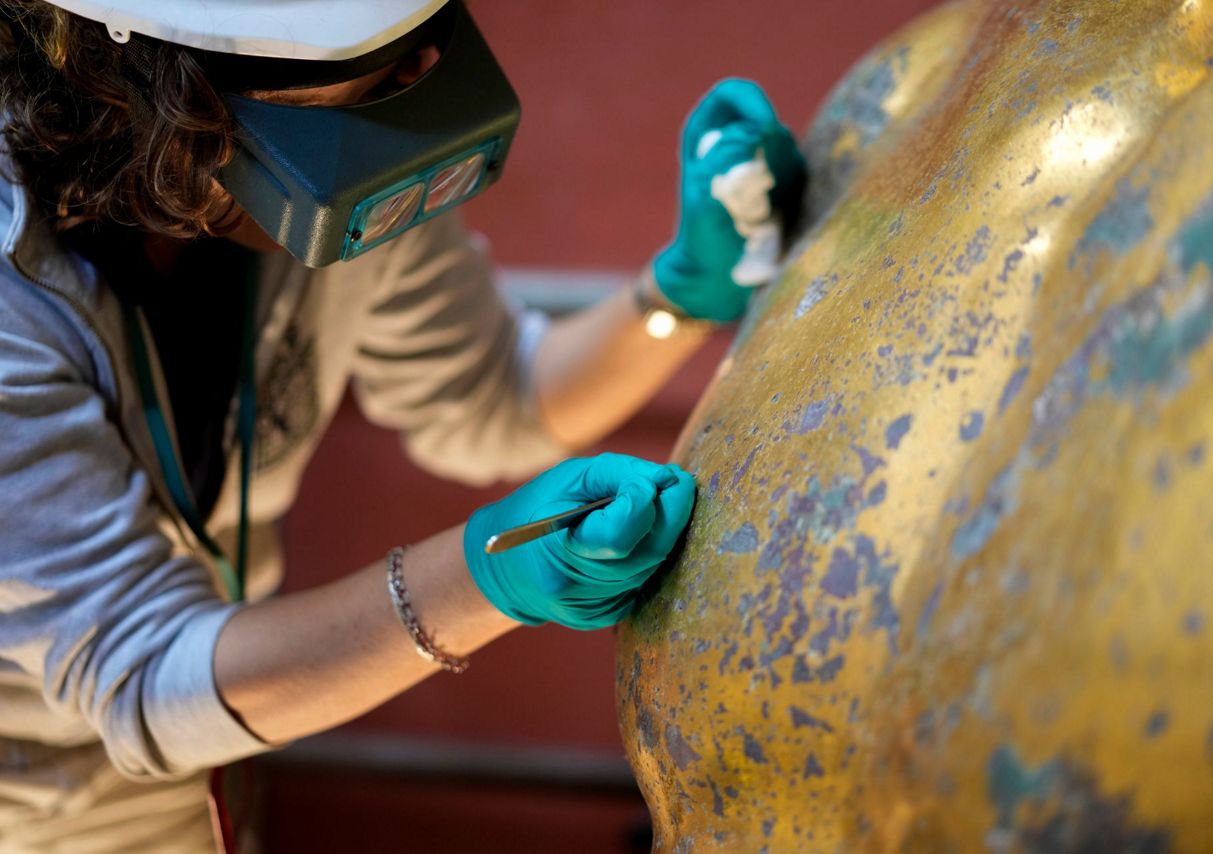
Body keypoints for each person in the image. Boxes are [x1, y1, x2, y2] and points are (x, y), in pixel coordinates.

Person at [0, 0, 805, 849]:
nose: (422, 80)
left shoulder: (337, 151)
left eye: (431, 39)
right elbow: (150, 676)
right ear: (172, 95)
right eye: (377, 70)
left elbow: (494, 393)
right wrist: (482, 580)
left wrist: (679, 297)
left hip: (207, 782)